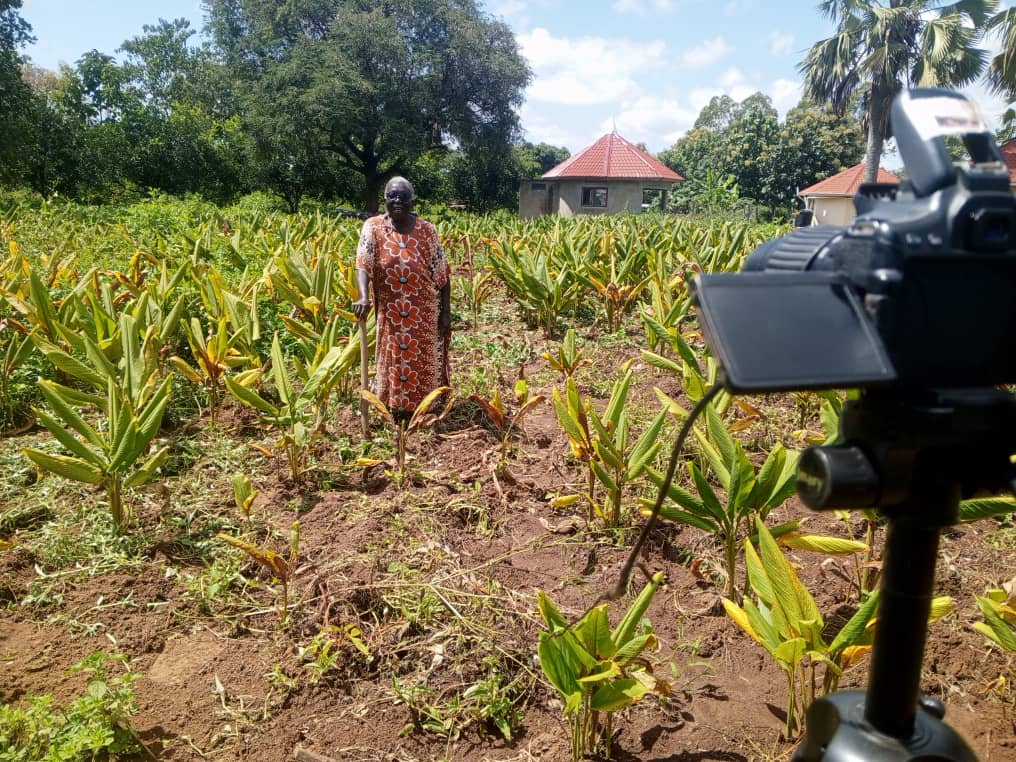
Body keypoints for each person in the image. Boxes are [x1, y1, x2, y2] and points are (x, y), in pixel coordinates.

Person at [352, 177, 451, 419]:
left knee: (424, 359)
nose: (398, 201)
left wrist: (446, 312)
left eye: (403, 196)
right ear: (385, 199)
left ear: (412, 200)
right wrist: (363, 297)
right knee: (393, 358)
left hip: (424, 310)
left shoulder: (427, 230)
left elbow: (442, 274)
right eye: (392, 196)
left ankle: (426, 407)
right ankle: (394, 407)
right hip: (391, 311)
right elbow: (363, 264)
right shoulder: (373, 227)